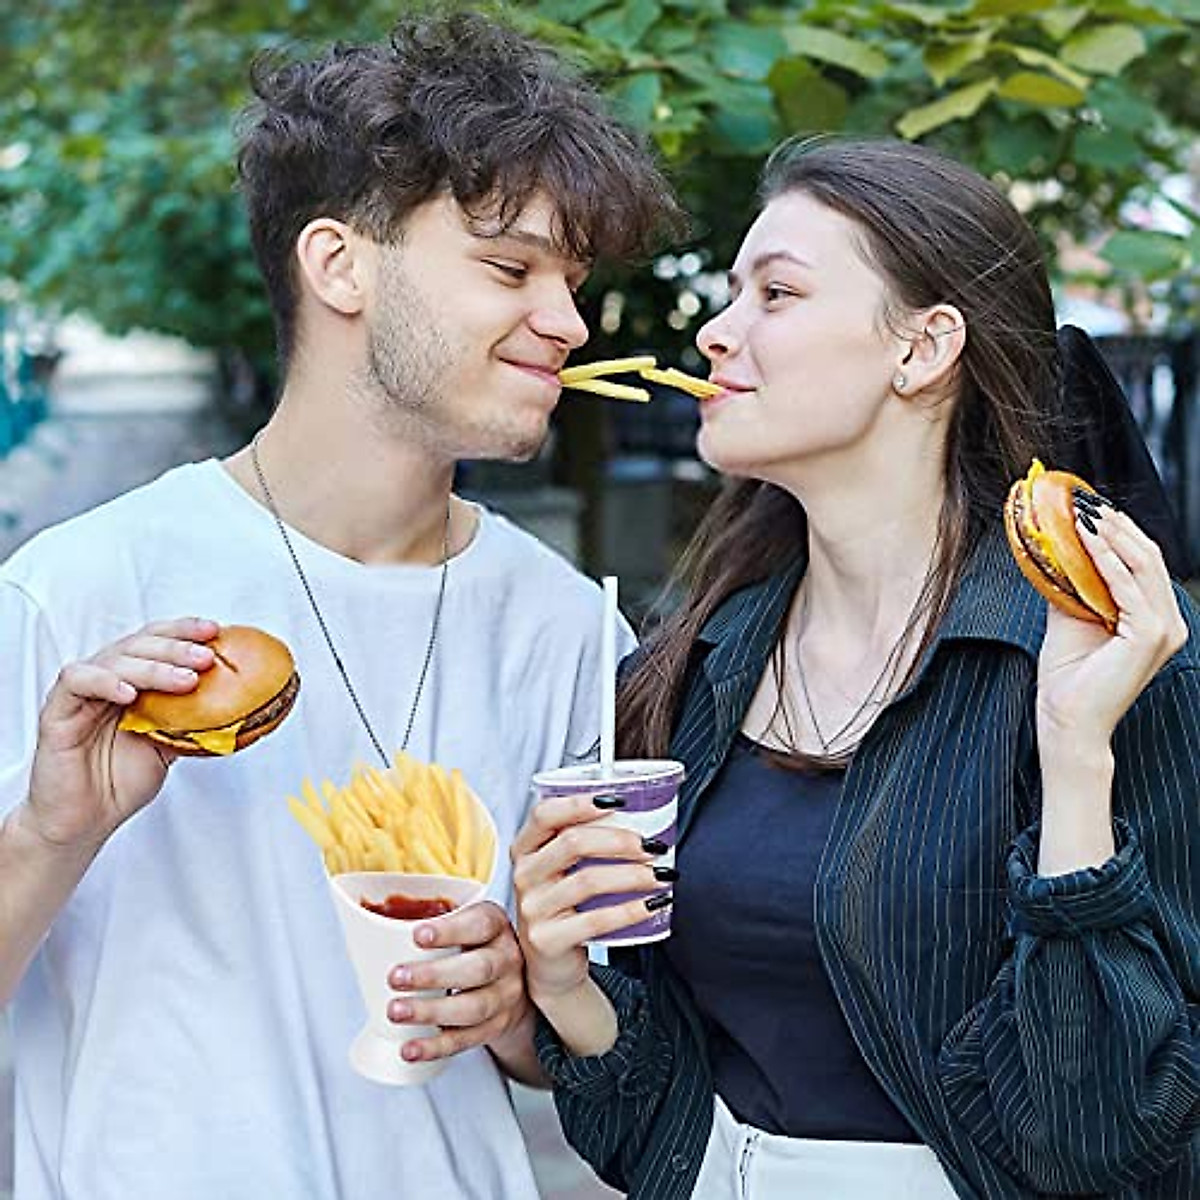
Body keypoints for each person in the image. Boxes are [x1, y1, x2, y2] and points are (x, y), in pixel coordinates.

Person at [0, 11, 683, 1198]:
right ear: (338, 264)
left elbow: (593, 1048)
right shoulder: (79, 593)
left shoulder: (576, 632)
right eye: (511, 268)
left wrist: (521, 999)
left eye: (573, 282)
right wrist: (52, 835)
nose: (570, 323)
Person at [511, 137, 1199, 1199]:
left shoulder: (1103, 658)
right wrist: (570, 991)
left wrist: (1075, 762)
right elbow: (643, 1122)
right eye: (731, 291)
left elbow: (1100, 1138)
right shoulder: (696, 664)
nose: (716, 330)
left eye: (775, 294)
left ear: (922, 349)